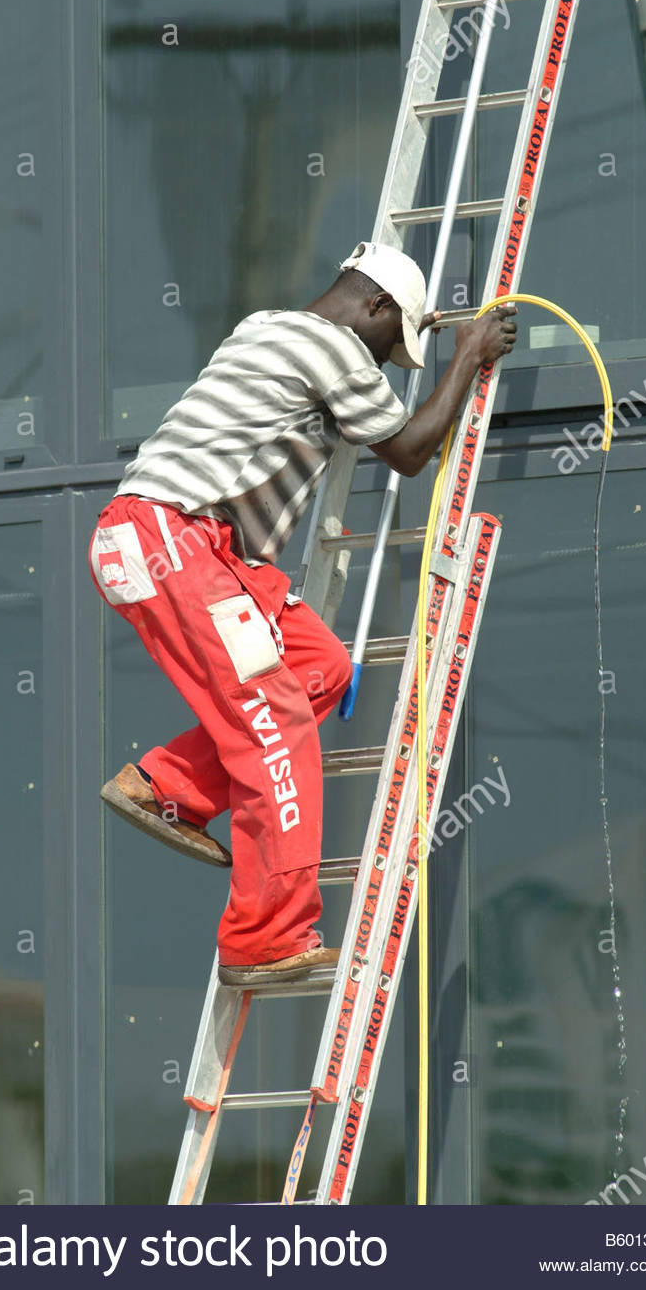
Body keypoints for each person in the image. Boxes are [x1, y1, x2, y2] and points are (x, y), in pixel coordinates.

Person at [88, 240, 516, 988]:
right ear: (376, 308)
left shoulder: (263, 328)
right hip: (176, 540)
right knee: (276, 720)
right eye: (395, 344)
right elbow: (412, 449)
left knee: (319, 667)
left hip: (194, 547)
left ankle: (168, 787)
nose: (388, 364)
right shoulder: (336, 349)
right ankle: (265, 938)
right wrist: (470, 354)